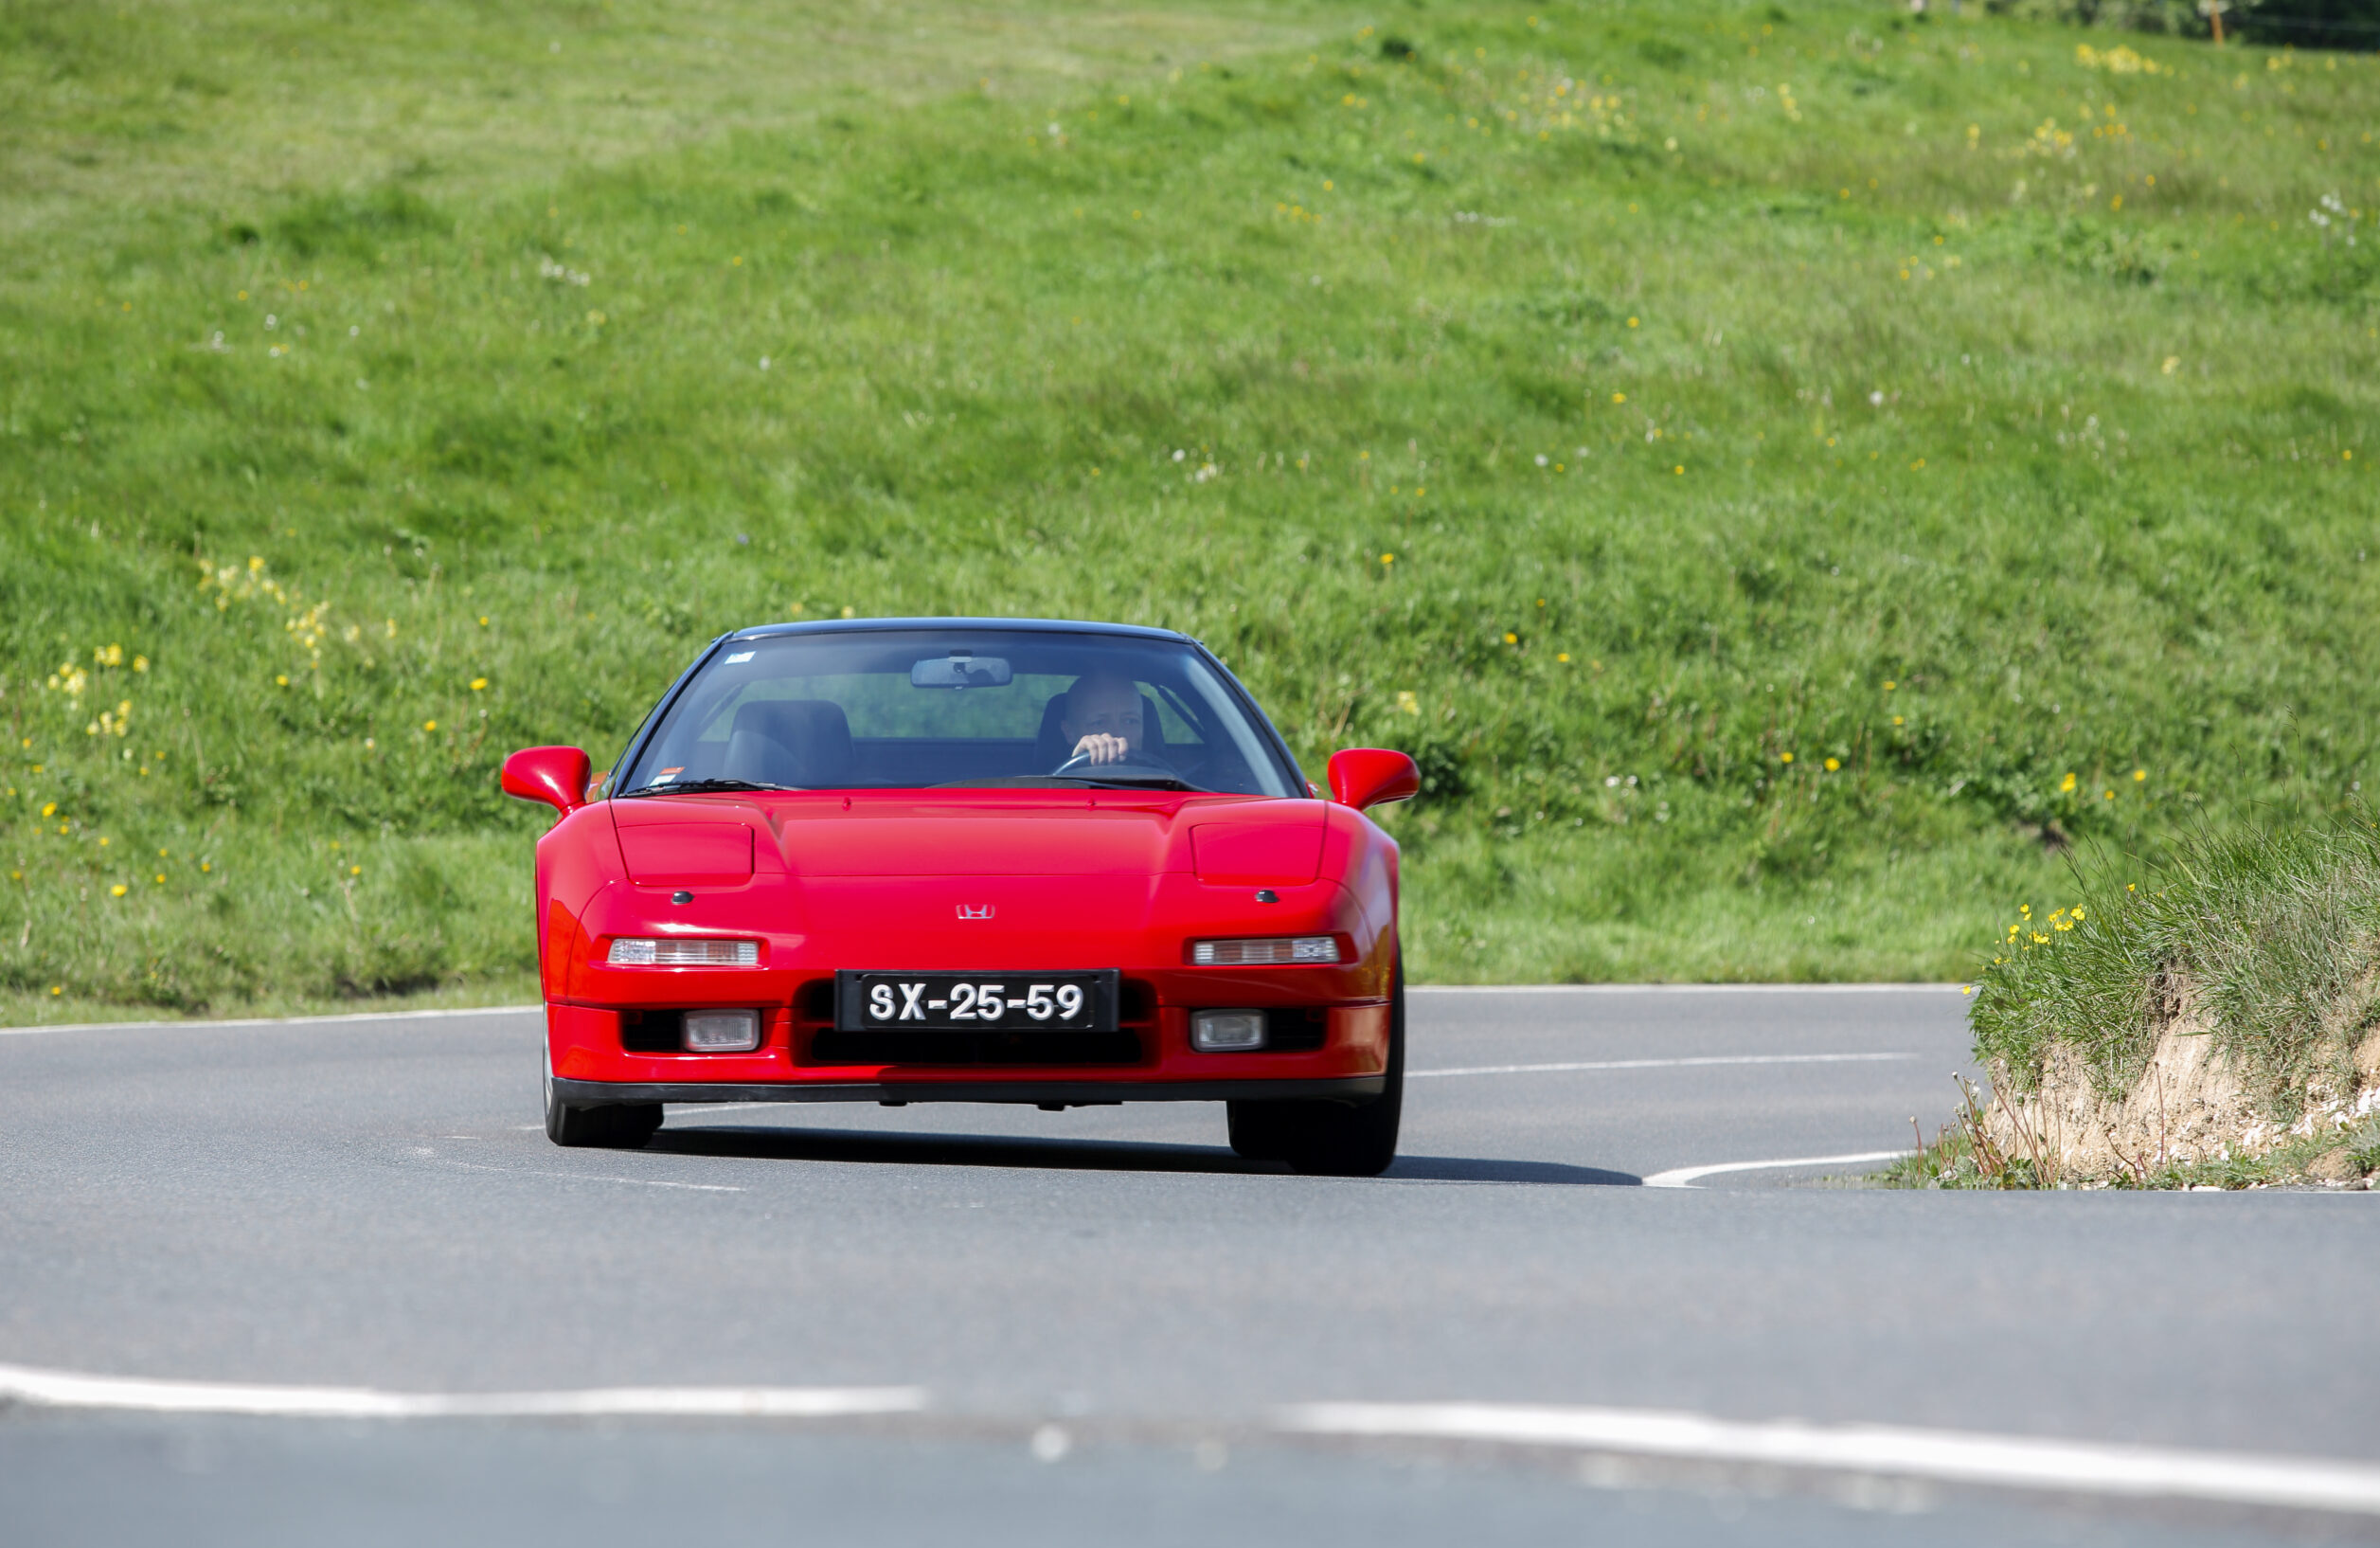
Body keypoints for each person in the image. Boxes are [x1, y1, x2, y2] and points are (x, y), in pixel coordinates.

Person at [1057, 671, 1148, 767]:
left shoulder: (1164, 777)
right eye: (1099, 723)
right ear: (1069, 732)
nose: (1118, 736)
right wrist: (1077, 769)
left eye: (1130, 721)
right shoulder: (1043, 782)